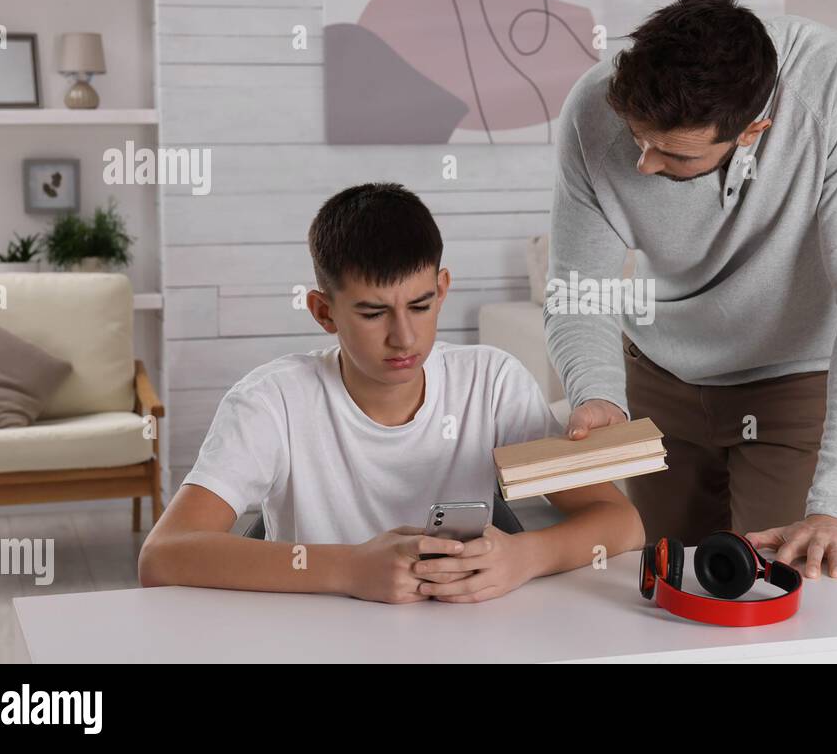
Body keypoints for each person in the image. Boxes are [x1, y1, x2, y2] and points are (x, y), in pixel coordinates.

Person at [546, 0, 837, 579]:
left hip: (789, 381)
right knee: (665, 585)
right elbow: (577, 290)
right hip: (659, 374)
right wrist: (598, 395)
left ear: (752, 131)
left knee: (774, 588)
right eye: (639, 138)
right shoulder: (593, 108)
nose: (643, 164)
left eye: (671, 153)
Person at [139, 183, 644, 604]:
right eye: (373, 313)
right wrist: (350, 569)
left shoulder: (491, 383)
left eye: (421, 306)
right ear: (323, 311)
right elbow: (163, 555)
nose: (404, 338)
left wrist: (524, 556)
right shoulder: (272, 402)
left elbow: (619, 522)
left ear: (443, 289)